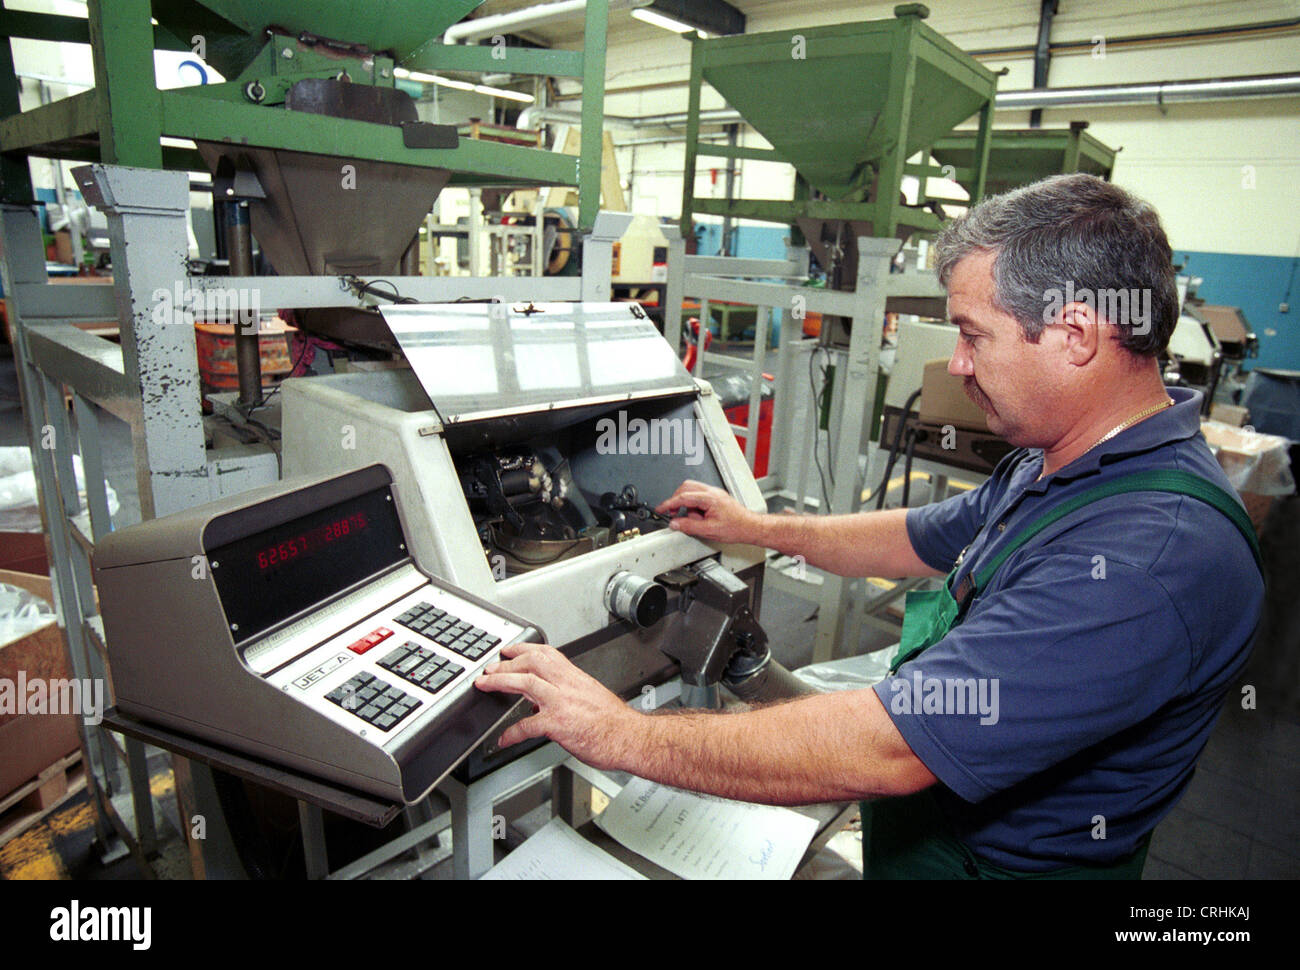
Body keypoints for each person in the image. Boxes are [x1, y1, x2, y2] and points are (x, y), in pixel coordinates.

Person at [474, 174, 1265, 879]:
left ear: (1077, 337)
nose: (957, 364)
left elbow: (891, 746)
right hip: (931, 831)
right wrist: (758, 526)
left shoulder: (1147, 559)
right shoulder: (1063, 459)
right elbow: (918, 535)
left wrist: (618, 733)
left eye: (973, 334)